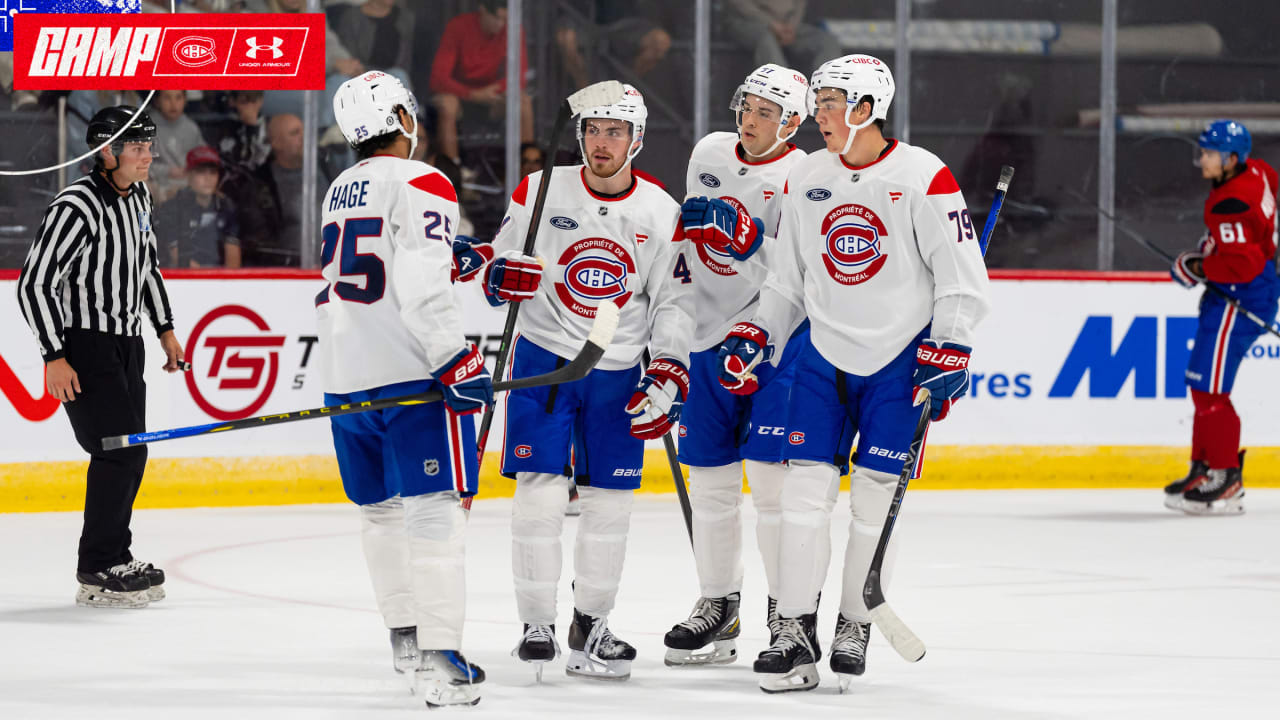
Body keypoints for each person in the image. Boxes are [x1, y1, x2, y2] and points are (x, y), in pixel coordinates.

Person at [717, 55, 990, 692]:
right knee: (802, 499)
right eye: (817, 101)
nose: (818, 113)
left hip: (900, 362)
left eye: (831, 101)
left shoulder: (925, 176)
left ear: (867, 108)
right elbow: (787, 276)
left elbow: (961, 280)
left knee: (872, 503)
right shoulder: (808, 174)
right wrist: (761, 330)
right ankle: (792, 626)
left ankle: (854, 620)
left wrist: (953, 344)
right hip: (821, 354)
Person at [492, 83, 693, 681]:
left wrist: (669, 369)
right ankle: (536, 624)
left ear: (637, 139)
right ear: (578, 134)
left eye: (615, 132)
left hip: (616, 371)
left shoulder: (660, 210)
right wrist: (505, 275)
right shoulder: (539, 189)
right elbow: (499, 264)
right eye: (592, 131)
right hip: (545, 360)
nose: (601, 143)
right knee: (540, 496)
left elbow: (674, 302)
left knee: (609, 507)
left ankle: (593, 625)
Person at [320, 71, 491, 707]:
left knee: (380, 514)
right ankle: (443, 659)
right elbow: (419, 283)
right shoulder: (423, 179)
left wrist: (454, 255)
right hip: (410, 377)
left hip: (346, 378)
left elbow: (386, 262)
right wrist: (455, 359)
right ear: (400, 115)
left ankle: (407, 641)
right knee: (435, 513)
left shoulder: (340, 186)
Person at [661, 63, 810, 667]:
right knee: (713, 486)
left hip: (775, 342)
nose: (750, 121)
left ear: (793, 122)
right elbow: (689, 249)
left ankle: (786, 612)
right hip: (704, 338)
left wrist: (752, 239)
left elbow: (802, 269)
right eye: (746, 107)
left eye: (766, 113)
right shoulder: (709, 152)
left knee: (773, 489)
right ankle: (717, 604)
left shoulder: (804, 176)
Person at [16, 106, 185, 609]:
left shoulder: (138, 198)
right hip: (86, 344)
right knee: (121, 449)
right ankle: (98, 565)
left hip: (126, 342)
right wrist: (55, 355)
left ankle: (112, 556)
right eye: (136, 146)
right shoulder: (76, 205)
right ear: (105, 151)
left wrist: (165, 330)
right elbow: (36, 283)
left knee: (128, 450)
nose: (148, 155)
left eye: (149, 145)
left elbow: (147, 269)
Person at [1163, 120, 1279, 515]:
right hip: (1248, 289)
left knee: (1210, 390)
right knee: (1203, 384)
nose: (1202, 160)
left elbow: (1241, 267)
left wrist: (1195, 266)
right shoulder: (1258, 170)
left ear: (1232, 159)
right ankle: (1205, 466)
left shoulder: (1229, 203)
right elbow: (1255, 229)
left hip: (1240, 296)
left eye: (1210, 154)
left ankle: (1227, 476)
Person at [429, 0, 533, 165]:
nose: (501, 25)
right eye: (498, 18)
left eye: (505, 19)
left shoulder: (512, 29)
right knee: (447, 104)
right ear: (483, 10)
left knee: (522, 101)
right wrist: (472, 94)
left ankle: (529, 167)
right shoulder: (459, 26)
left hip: (491, 98)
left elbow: (519, 77)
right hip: (459, 98)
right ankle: (453, 171)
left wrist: (494, 91)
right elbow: (438, 78)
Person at [155, 146, 241, 268]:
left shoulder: (226, 207)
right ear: (188, 175)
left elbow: (233, 256)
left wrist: (226, 282)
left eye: (213, 172)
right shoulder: (172, 208)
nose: (208, 178)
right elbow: (178, 257)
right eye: (201, 172)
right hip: (184, 280)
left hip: (219, 280)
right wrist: (206, 282)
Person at [723, 1, 841, 74]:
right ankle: (782, 96)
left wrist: (792, 25)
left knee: (826, 42)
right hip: (748, 22)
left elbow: (800, 4)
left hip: (788, 23)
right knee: (767, 40)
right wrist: (771, 24)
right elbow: (738, 4)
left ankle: (828, 100)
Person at [149, 90, 207, 204]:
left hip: (188, 184)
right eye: (167, 98)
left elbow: (204, 158)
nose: (173, 103)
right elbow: (138, 164)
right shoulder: (147, 127)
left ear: (185, 101)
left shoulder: (191, 128)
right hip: (159, 184)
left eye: (178, 98)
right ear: (157, 101)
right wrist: (167, 171)